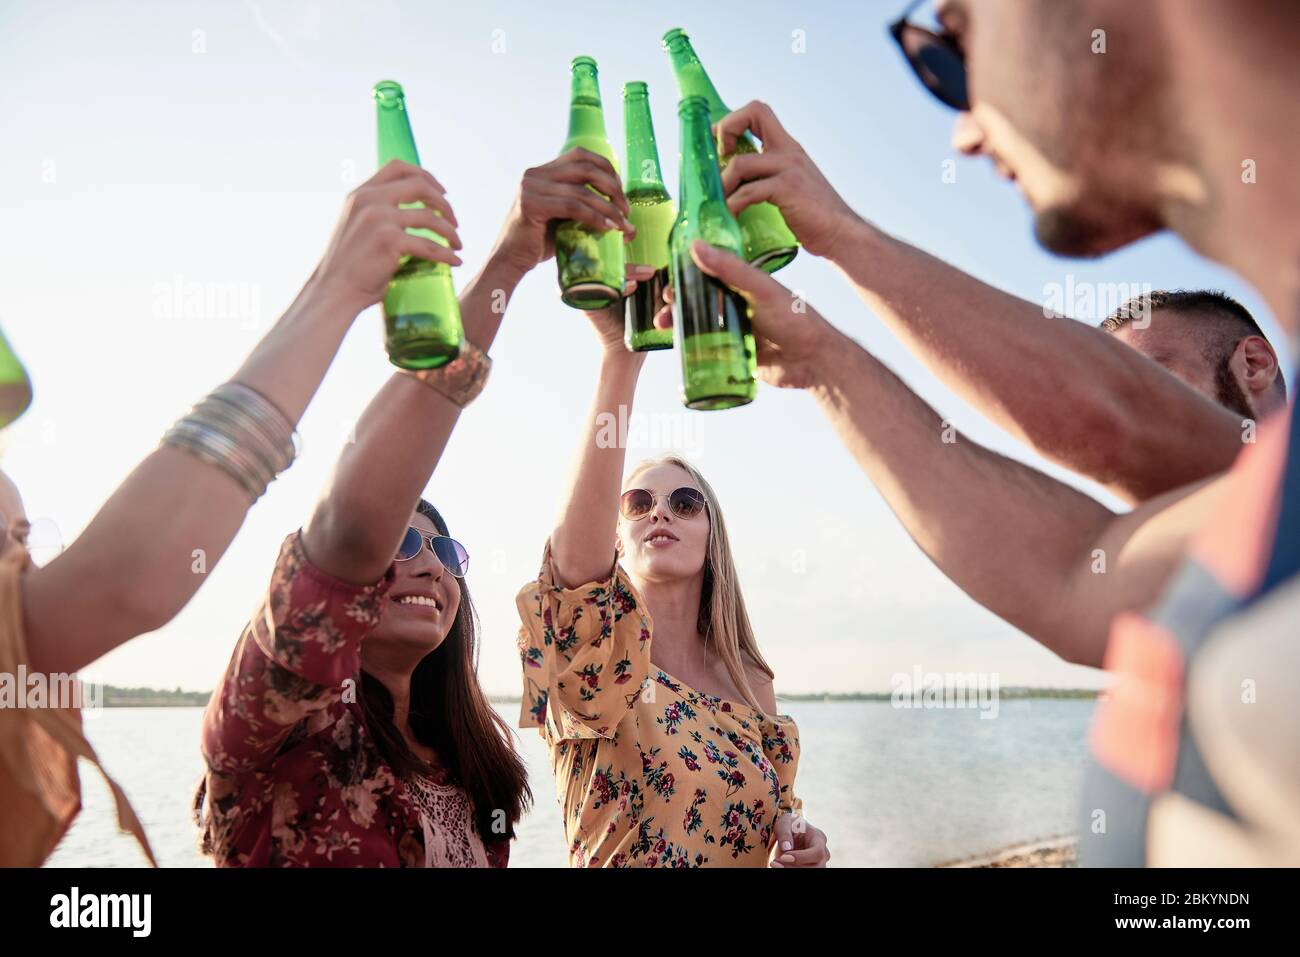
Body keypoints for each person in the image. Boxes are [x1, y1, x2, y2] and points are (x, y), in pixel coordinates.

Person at [677, 0, 1298, 865]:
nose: (965, 130)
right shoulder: (1267, 501)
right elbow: (1073, 562)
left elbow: (1114, 427)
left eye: (952, 39)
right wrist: (824, 351)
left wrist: (843, 260)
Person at [0, 158, 460, 866]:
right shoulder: (281, 720)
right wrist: (336, 286)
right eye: (4, 552)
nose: (25, 570)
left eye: (25, 543)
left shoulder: (473, 763)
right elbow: (135, 575)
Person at [195, 149, 636, 867]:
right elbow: (348, 525)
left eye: (443, 550)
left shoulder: (473, 765)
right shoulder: (284, 721)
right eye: (401, 545)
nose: (428, 564)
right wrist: (509, 262)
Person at [515, 264, 830, 868]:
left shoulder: (750, 680)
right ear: (617, 536)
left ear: (713, 538)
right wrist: (621, 355)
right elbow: (574, 574)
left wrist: (806, 847)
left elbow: (779, 825)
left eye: (685, 503)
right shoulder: (598, 653)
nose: (661, 512)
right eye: (638, 503)